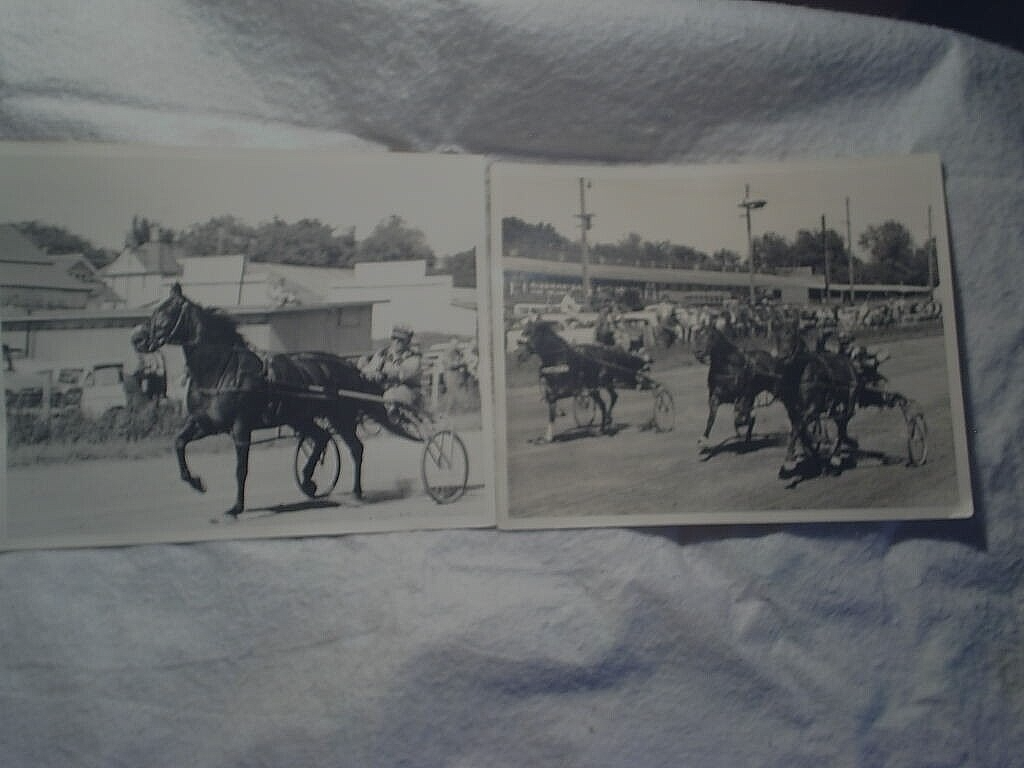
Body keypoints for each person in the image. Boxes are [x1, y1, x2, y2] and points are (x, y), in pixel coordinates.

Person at [360, 323, 424, 420]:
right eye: (394, 338)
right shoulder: (382, 353)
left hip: (407, 391)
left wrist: (384, 375)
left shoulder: (413, 357)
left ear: (407, 341)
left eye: (401, 340)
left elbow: (402, 374)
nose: (396, 342)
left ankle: (394, 417)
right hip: (383, 388)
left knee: (391, 394)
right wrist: (365, 371)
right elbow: (370, 368)